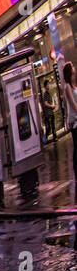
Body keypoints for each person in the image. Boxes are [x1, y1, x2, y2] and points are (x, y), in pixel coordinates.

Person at [64, 62, 77, 195]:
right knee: (76, 149)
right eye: (72, 67)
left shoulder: (74, 85)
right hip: (75, 122)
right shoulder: (67, 87)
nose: (74, 68)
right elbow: (73, 105)